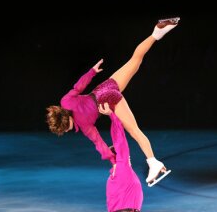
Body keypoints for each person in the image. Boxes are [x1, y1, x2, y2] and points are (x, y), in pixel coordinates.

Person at [46, 17, 179, 186]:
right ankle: (156, 32)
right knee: (135, 60)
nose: (67, 131)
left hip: (109, 100)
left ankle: (153, 162)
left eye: (65, 129)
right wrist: (92, 71)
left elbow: (100, 145)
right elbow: (78, 86)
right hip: (103, 88)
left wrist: (114, 163)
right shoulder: (65, 101)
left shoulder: (84, 126)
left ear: (65, 123)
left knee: (135, 131)